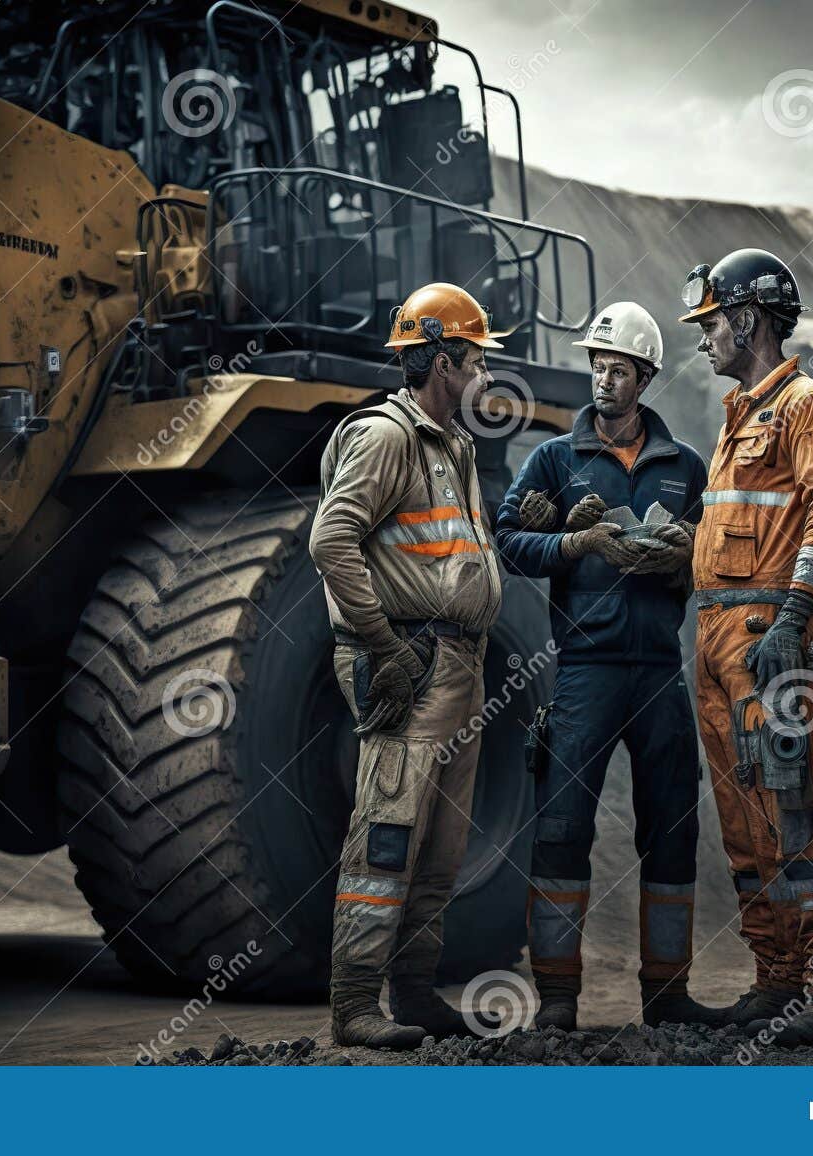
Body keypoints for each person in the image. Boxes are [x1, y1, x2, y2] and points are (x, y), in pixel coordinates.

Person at [495, 301, 721, 1030]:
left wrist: (687, 554)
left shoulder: (685, 467)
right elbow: (507, 541)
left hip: (658, 672)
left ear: (645, 377)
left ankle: (668, 995)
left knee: (673, 827)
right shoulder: (554, 461)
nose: (603, 382)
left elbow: (720, 555)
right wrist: (574, 544)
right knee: (562, 826)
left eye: (617, 370)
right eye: (597, 367)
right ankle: (558, 999)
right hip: (585, 670)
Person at [309, 282, 505, 1049]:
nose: (483, 372)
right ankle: (355, 1004)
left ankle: (416, 993)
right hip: (411, 664)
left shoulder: (451, 444)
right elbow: (331, 540)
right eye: (475, 359)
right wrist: (384, 649)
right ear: (443, 361)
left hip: (457, 666)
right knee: (386, 837)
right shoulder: (386, 438)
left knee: (441, 844)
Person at [677, 248, 813, 1044]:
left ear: (749, 320)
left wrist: (792, 616)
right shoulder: (742, 416)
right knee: (744, 814)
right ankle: (778, 976)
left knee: (796, 808)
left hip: (775, 637)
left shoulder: (808, 407)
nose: (704, 338)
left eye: (713, 323)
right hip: (721, 637)